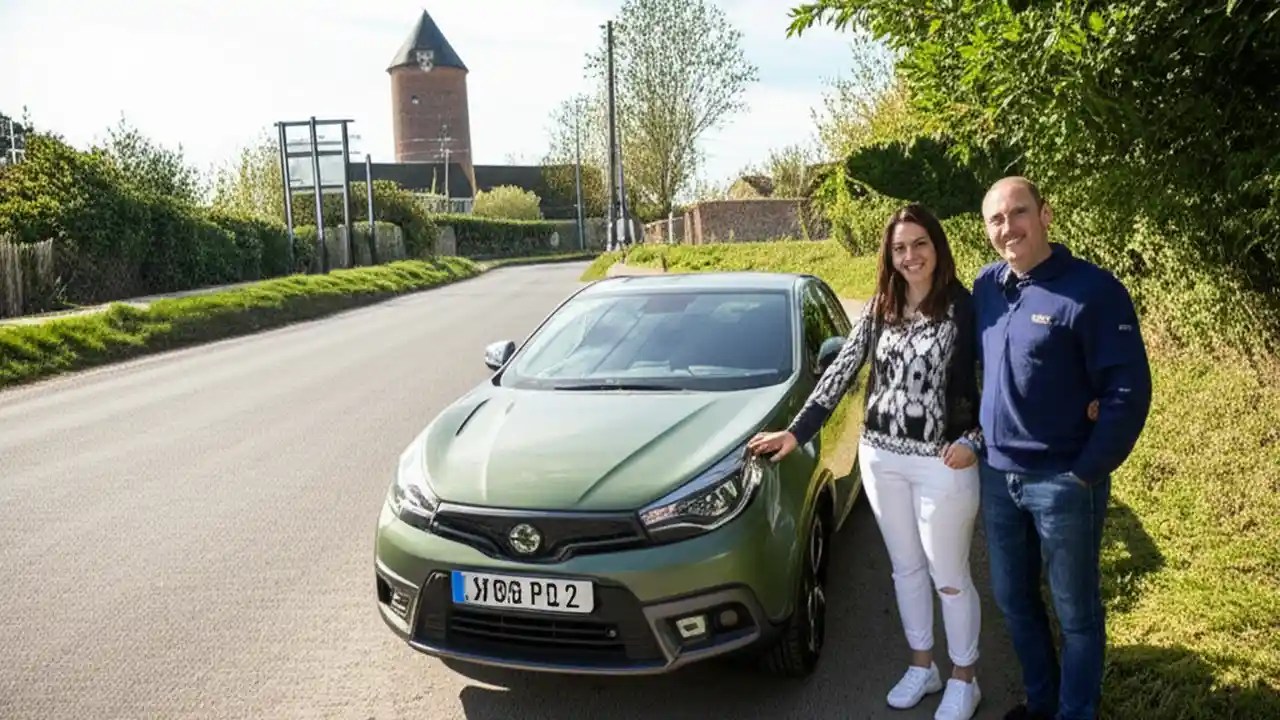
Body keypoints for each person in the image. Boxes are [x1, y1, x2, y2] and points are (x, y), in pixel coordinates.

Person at [749, 203, 985, 720]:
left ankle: (965, 676)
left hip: (944, 462)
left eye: (919, 244)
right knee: (905, 570)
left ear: (937, 246)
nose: (910, 256)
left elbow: (994, 380)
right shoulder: (881, 306)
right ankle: (924, 667)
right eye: (899, 248)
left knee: (948, 574)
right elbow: (840, 372)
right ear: (889, 254)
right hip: (881, 458)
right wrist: (797, 431)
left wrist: (976, 438)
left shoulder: (964, 308)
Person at [972, 177, 1152, 720]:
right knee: (1014, 601)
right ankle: (1042, 702)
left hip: (1064, 482)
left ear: (1046, 214)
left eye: (1018, 213)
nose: (1009, 229)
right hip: (998, 477)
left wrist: (1087, 470)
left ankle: (1076, 712)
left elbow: (1128, 389)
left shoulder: (1093, 291)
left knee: (1075, 611)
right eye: (996, 220)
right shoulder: (987, 288)